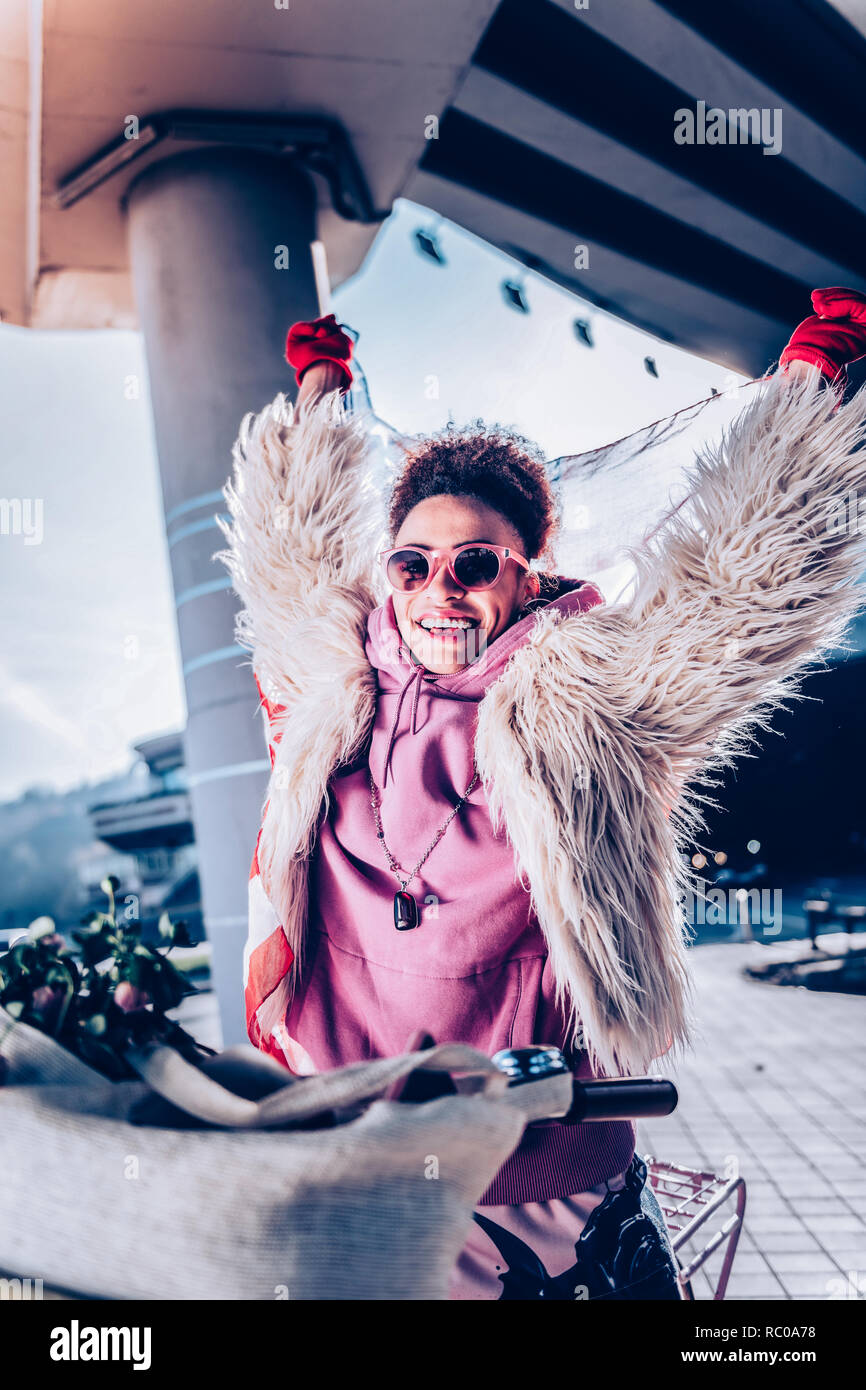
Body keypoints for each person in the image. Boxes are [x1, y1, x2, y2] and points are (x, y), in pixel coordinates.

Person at [218, 290, 866, 1299]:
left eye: (476, 563)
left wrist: (806, 396)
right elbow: (288, 548)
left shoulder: (592, 704)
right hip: (352, 1145)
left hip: (540, 1178)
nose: (442, 586)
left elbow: (735, 600)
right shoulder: (324, 681)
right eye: (414, 563)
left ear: (525, 579)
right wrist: (316, 393)